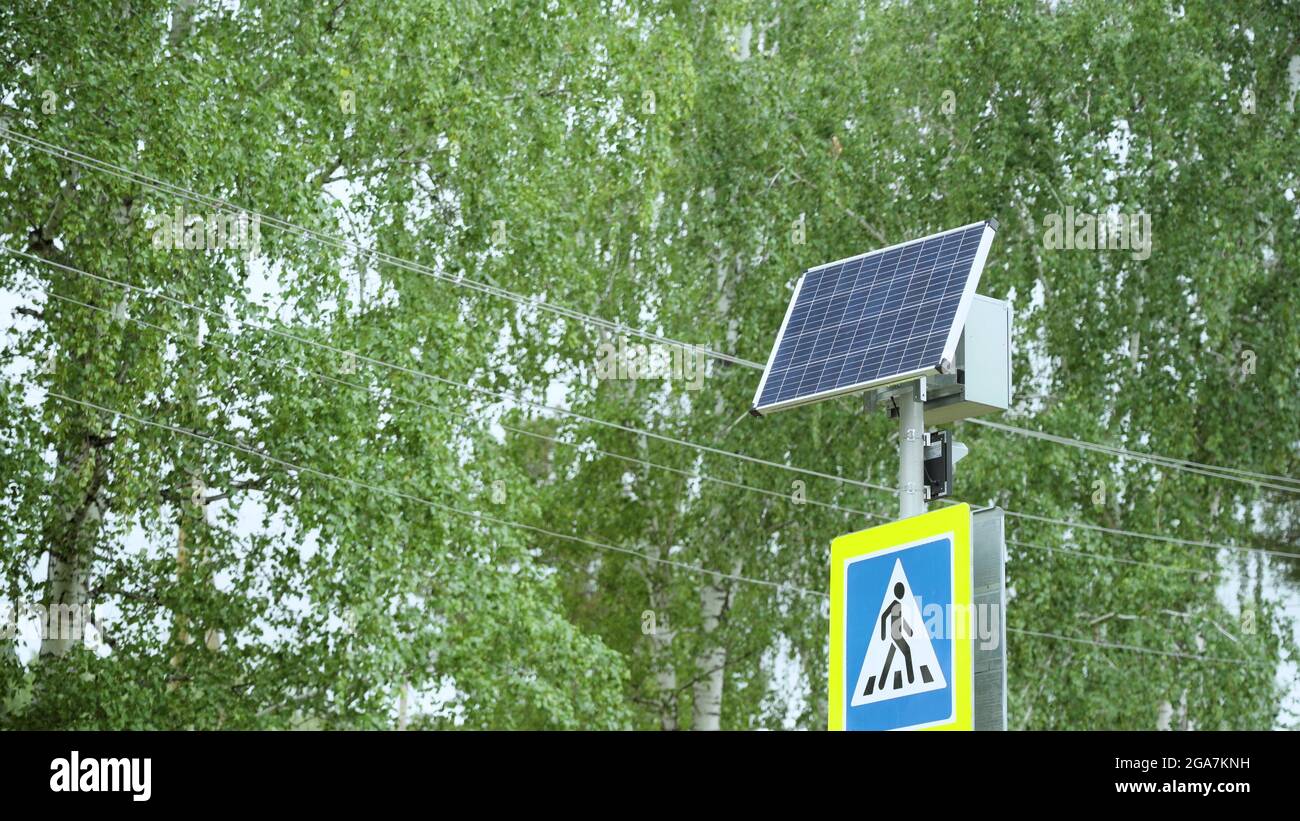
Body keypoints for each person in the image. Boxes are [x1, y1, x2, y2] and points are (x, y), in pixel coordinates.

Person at [877, 581, 915, 688]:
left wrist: (909, 631)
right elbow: (883, 616)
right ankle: (911, 679)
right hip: (895, 635)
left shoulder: (899, 605)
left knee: (890, 657)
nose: (902, 594)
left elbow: (901, 621)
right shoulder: (894, 603)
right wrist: (883, 634)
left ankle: (881, 683)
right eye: (901, 591)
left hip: (896, 634)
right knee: (907, 651)